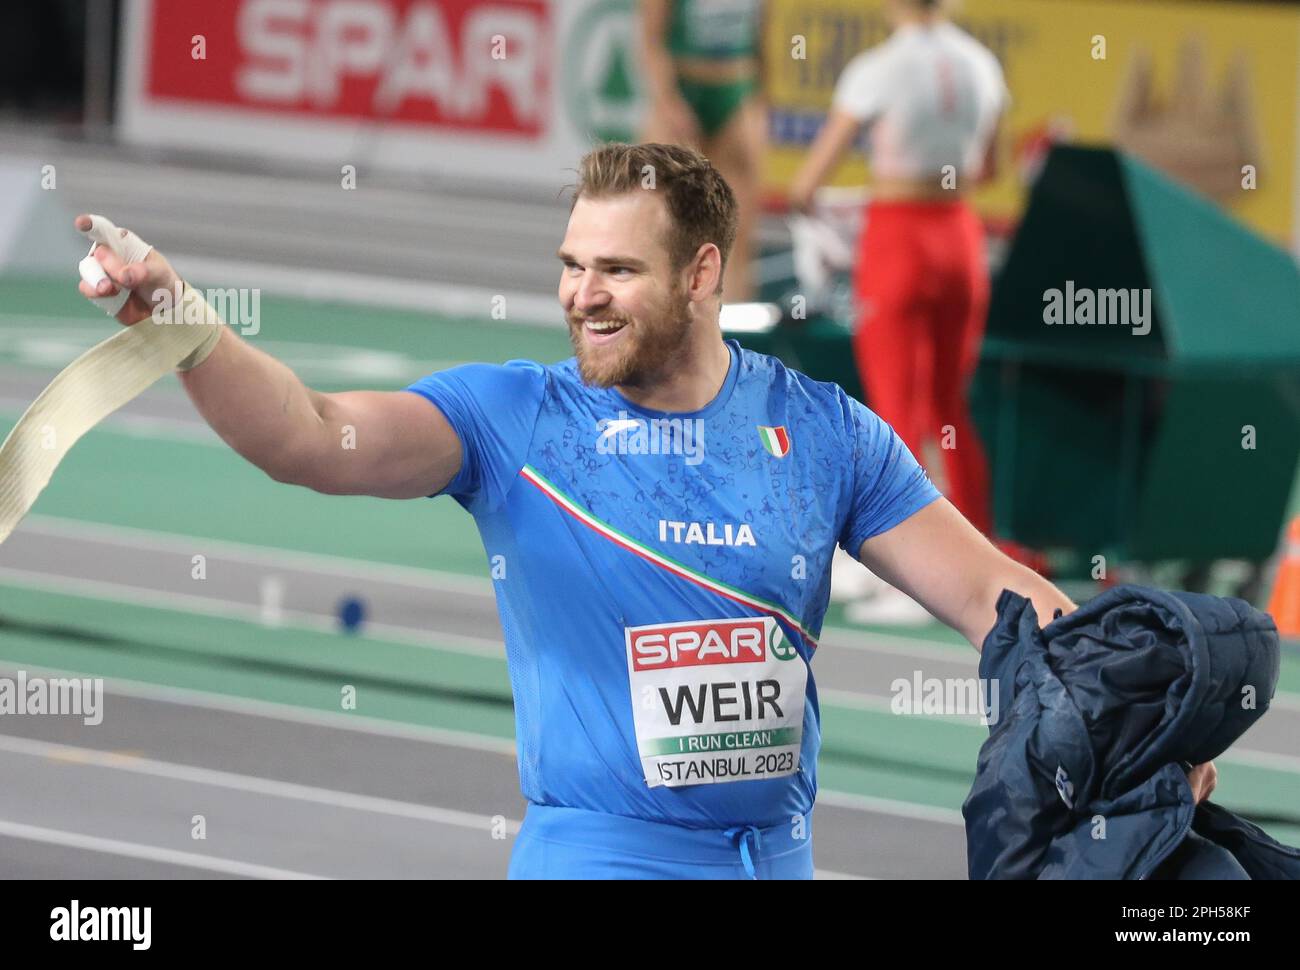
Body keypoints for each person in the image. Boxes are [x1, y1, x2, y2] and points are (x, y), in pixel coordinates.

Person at [74, 142, 1215, 879]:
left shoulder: (820, 430)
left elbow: (993, 598)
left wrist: (1144, 716)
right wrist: (178, 313)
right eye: (572, 264)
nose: (581, 294)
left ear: (703, 274)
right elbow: (310, 436)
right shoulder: (514, 421)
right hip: (599, 860)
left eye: (616, 269)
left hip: (777, 859)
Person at [790, 0, 1005, 546]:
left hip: (899, 239)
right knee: (949, 402)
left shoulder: (878, 67)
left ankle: (902, 564)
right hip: (960, 237)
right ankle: (975, 546)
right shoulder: (982, 64)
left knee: (894, 407)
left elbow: (807, 183)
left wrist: (829, 217)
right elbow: (988, 168)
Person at [639, 0, 766, 302]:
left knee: (736, 236)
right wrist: (667, 100)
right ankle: (650, 325)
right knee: (656, 225)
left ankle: (733, 335)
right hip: (682, 91)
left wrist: (760, 99)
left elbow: (762, 36)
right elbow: (650, 38)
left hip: (737, 90)